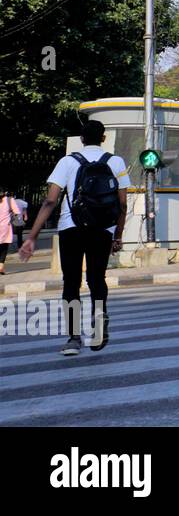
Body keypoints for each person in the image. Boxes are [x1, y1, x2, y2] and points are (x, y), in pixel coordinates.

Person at [19, 120, 130, 356]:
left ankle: (73, 338)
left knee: (71, 282)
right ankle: (99, 323)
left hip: (71, 228)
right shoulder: (116, 161)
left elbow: (50, 201)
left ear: (81, 139)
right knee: (96, 279)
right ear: (103, 138)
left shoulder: (67, 161)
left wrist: (32, 237)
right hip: (102, 230)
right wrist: (117, 236)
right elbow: (122, 204)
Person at [0, 189, 22, 276]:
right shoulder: (10, 200)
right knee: (4, 248)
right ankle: (1, 266)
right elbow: (17, 212)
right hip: (5, 228)